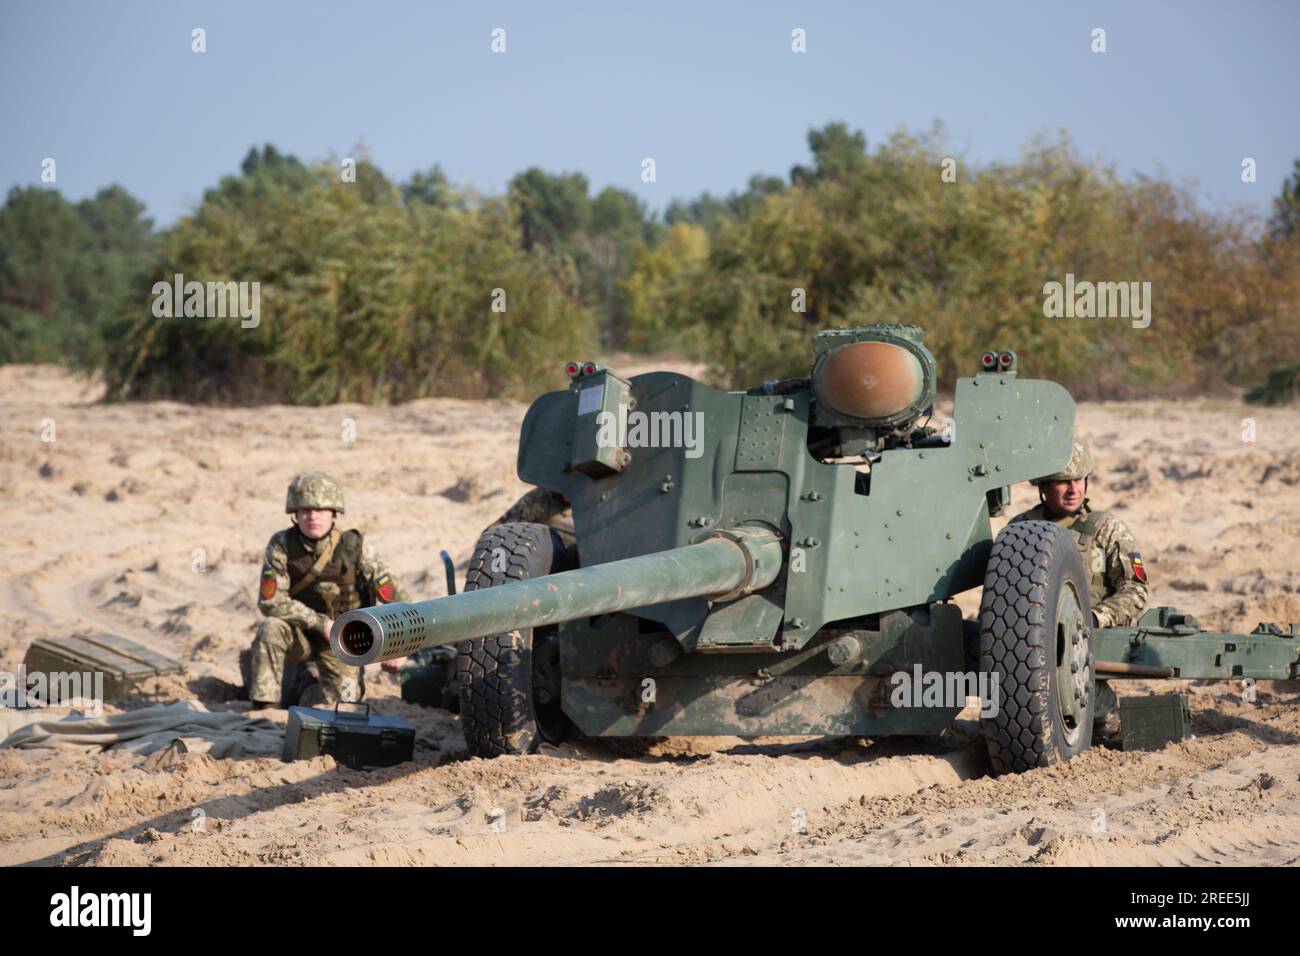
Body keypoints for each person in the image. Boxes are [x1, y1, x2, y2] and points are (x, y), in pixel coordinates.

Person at [1009, 437, 1150, 734]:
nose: (1073, 489)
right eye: (1063, 481)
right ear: (1043, 486)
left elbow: (1135, 590)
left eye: (1079, 479)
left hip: (1087, 644)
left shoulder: (1105, 529)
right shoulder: (1021, 531)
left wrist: (1096, 618)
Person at [248, 470, 408, 709]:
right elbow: (270, 601)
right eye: (305, 511)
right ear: (295, 514)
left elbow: (399, 600)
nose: (313, 517)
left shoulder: (356, 548)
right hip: (299, 633)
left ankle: (303, 686)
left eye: (320, 510)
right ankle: (264, 707)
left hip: (344, 641)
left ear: (334, 514)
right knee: (270, 629)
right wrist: (320, 623)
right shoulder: (281, 544)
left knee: (344, 704)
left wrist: (400, 645)